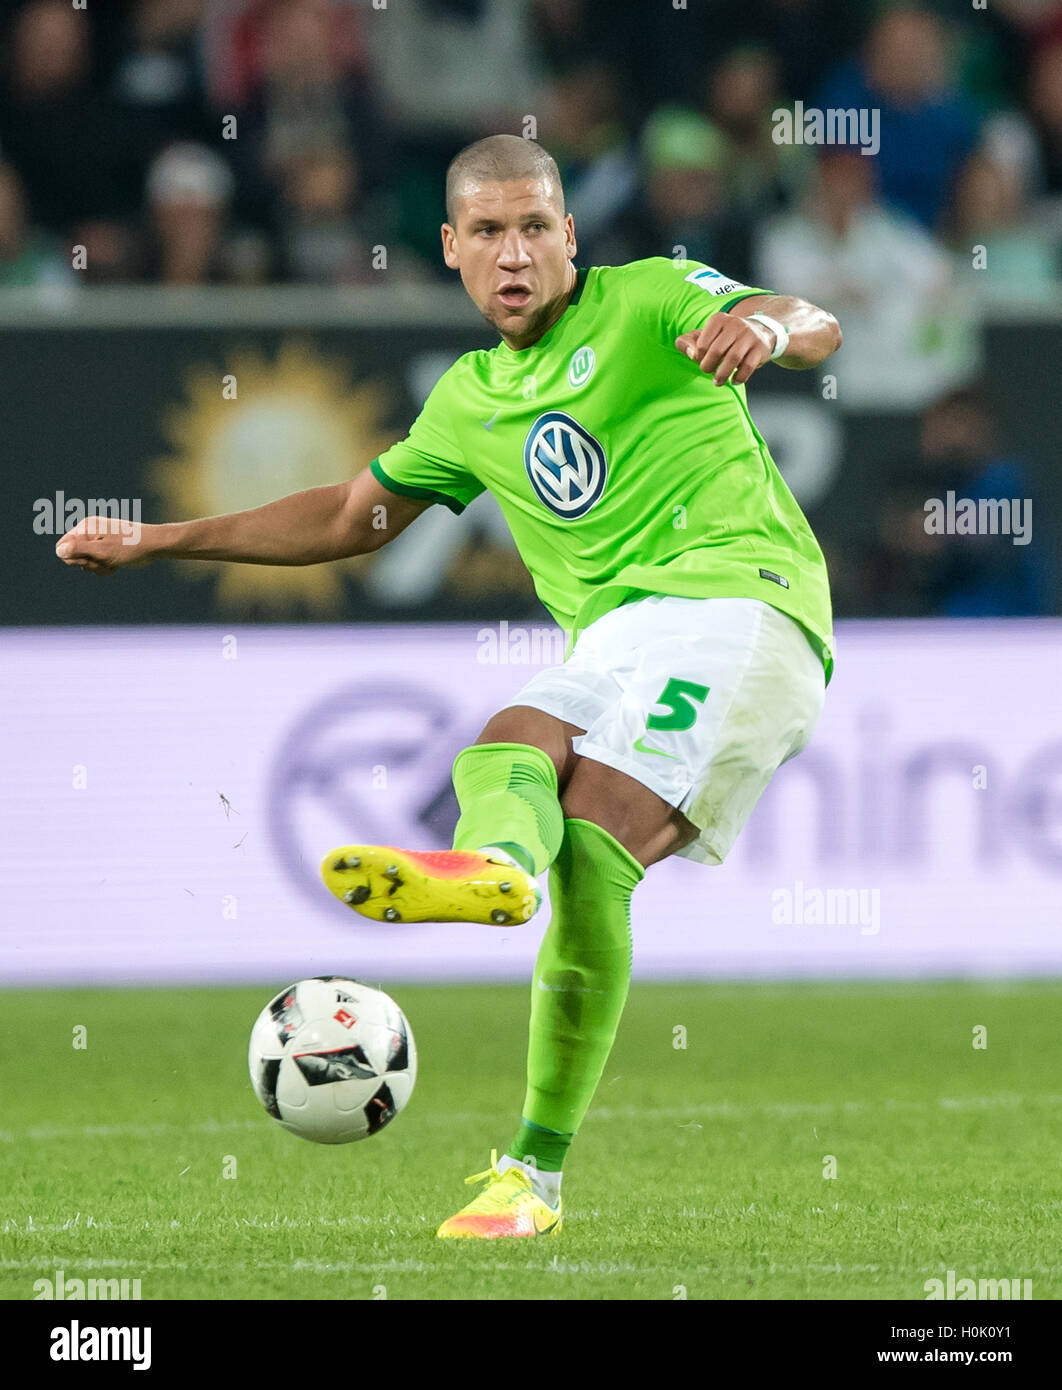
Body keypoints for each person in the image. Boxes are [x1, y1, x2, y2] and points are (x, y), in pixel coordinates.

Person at [56, 133, 841, 1240]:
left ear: (570, 235)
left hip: (745, 608)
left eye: (534, 229)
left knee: (598, 840)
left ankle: (535, 1168)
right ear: (452, 249)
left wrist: (768, 323)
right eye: (488, 233)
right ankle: (496, 870)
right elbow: (343, 517)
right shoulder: (472, 399)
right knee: (505, 739)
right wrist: (160, 539)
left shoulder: (653, 298)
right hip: (619, 638)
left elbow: (811, 320)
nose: (514, 254)